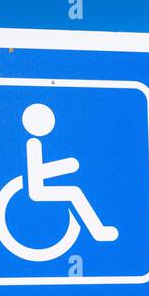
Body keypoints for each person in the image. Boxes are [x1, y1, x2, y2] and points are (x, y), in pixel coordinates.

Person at [21, 102, 118, 242]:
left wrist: (68, 166)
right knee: (74, 192)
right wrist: (68, 165)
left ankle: (99, 231)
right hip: (37, 190)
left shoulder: (35, 142)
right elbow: (36, 173)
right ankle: (98, 232)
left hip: (39, 186)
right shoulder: (33, 144)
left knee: (74, 192)